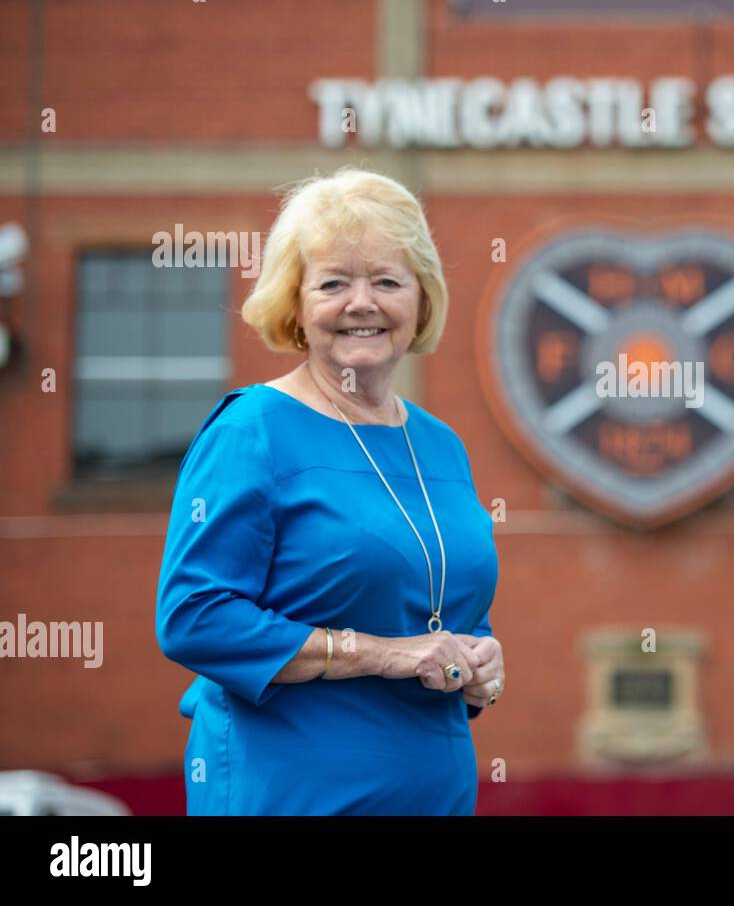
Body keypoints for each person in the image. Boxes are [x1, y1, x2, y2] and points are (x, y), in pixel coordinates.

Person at [155, 167, 503, 815]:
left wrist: (478, 661)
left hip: (433, 793)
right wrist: (376, 653)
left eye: (387, 280)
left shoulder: (441, 445)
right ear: (294, 304)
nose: (362, 302)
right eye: (334, 282)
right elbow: (192, 617)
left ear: (421, 301)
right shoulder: (252, 430)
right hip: (294, 794)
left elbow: (442, 614)